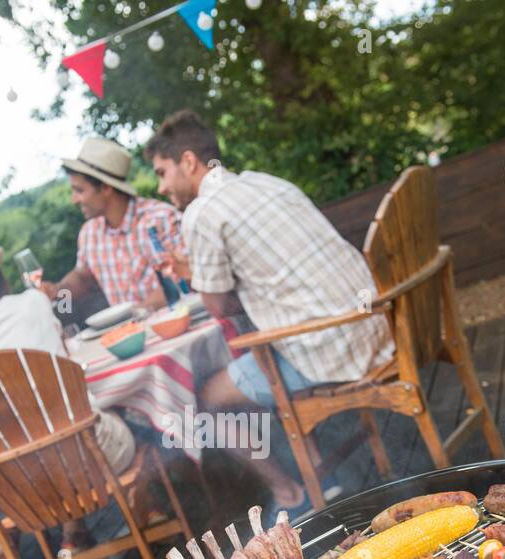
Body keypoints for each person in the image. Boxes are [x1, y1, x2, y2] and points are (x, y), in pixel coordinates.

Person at [145, 110, 395, 515]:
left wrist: (197, 277)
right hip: (377, 324)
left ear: (188, 162)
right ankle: (320, 474)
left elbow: (218, 306)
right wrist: (202, 274)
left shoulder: (202, 213)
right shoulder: (268, 183)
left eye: (162, 172)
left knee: (206, 397)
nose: (161, 187)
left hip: (329, 347)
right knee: (256, 358)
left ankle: (289, 494)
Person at [0, 220, 139, 550]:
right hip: (94, 460)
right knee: (99, 422)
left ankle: (74, 533)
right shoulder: (33, 304)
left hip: (23, 488)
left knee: (40, 441)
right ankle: (149, 504)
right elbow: (69, 369)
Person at [42, 137, 184, 314]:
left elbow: (182, 275)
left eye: (79, 190)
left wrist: (138, 314)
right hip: (130, 336)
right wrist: (58, 290)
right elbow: (82, 278)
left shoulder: (161, 218)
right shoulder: (89, 233)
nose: (74, 199)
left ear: (106, 188)